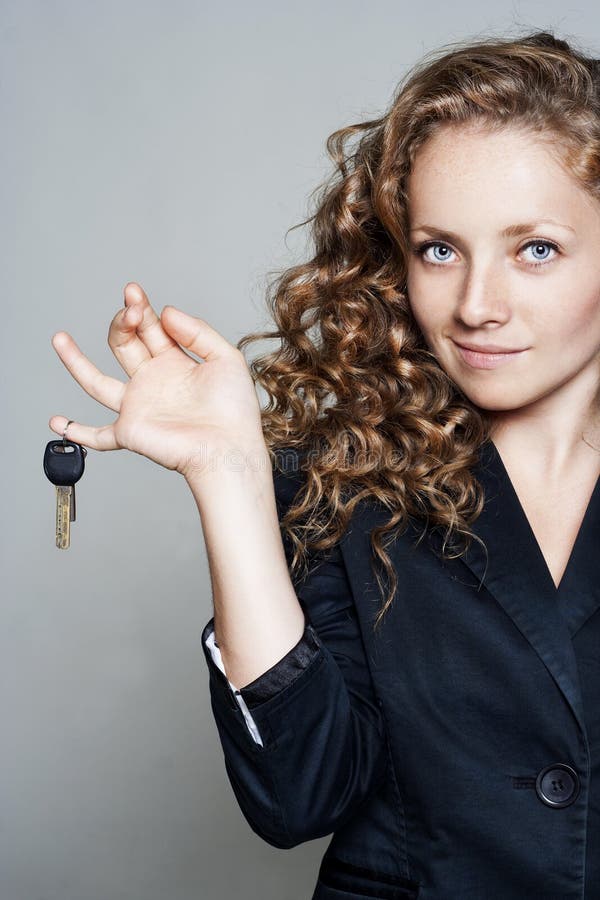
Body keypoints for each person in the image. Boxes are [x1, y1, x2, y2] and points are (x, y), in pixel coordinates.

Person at [49, 28, 600, 899]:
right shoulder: (345, 477)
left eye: (536, 249)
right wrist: (227, 473)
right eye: (439, 250)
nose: (475, 306)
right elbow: (301, 794)